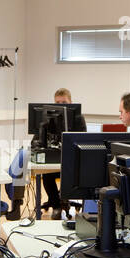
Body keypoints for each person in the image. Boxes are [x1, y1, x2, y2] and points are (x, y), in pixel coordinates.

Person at [41, 87, 85, 218]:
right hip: (55, 158)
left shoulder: (78, 119)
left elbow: (83, 140)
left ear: (71, 103)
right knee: (46, 174)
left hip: (73, 161)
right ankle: (56, 206)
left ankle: (64, 198)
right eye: (57, 103)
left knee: (68, 174)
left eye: (64, 102)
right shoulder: (50, 119)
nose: (61, 106)